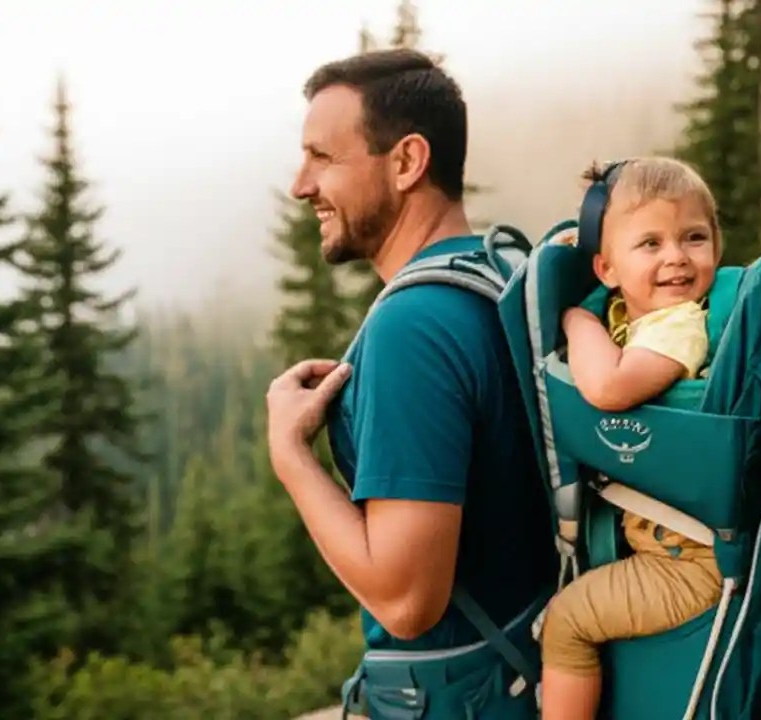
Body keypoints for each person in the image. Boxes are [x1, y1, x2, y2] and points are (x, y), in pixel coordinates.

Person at [263, 48, 557, 718]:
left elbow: (406, 601)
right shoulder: (503, 270)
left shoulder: (412, 330)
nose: (300, 185)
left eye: (322, 157)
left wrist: (291, 457)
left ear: (406, 162)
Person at [538, 157, 726, 720]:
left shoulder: (678, 324)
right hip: (672, 548)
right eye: (650, 244)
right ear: (607, 267)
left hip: (688, 563)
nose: (676, 257)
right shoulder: (636, 315)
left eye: (694, 238)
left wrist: (576, 320)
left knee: (567, 624)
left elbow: (610, 386)